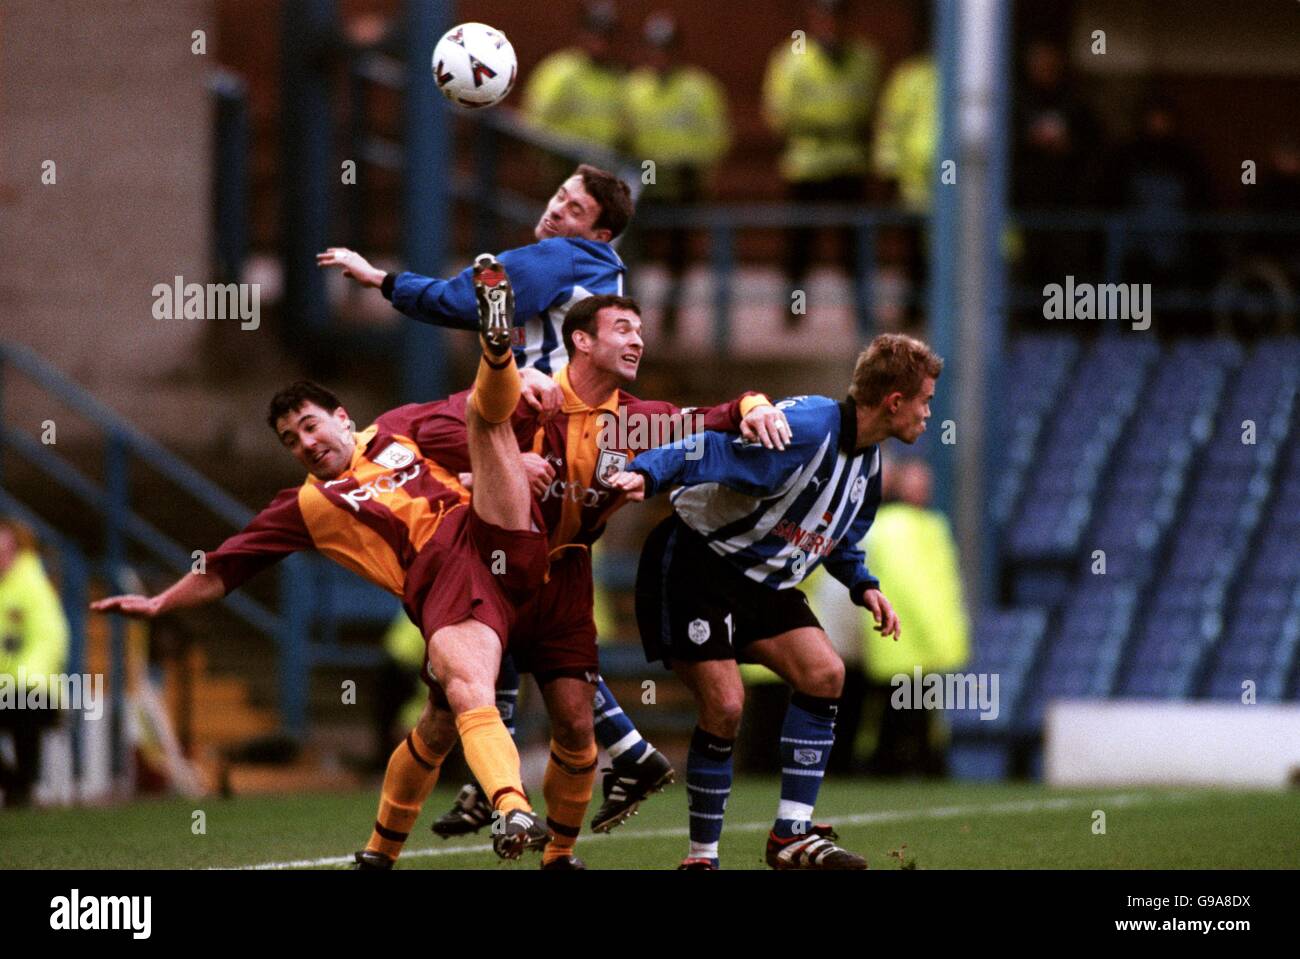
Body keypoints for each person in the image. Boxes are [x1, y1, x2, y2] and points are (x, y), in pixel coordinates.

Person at [93, 257, 556, 861]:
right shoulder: (306, 506)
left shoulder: (399, 430)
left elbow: (500, 425)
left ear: (342, 418)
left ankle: (499, 351)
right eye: (291, 441)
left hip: (491, 534)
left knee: (479, 413)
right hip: (445, 579)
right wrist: (160, 601)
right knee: (447, 716)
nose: (306, 444)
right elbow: (224, 568)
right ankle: (383, 851)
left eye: (310, 427)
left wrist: (532, 408)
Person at [377, 293, 789, 870]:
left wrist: (755, 403)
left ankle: (560, 855)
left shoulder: (638, 422)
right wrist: (492, 462)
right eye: (622, 328)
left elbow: (712, 416)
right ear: (581, 341)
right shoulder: (527, 399)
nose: (638, 340)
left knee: (573, 719)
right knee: (442, 721)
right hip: (487, 569)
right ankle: (382, 849)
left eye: (641, 331)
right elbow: (406, 438)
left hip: (564, 576)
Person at [608, 332, 943, 869]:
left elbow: (840, 538)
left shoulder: (870, 466)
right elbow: (709, 446)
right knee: (726, 705)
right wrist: (646, 472)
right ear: (895, 401)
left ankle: (790, 836)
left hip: (763, 583)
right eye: (925, 401)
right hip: (699, 561)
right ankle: (701, 857)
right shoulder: (807, 428)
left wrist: (865, 585)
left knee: (825, 673)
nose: (929, 414)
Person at [318, 163, 634, 375]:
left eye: (574, 210)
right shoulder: (606, 268)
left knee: (405, 433)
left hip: (544, 420)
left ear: (600, 236)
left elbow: (465, 302)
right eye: (561, 196)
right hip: (576, 421)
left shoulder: (560, 257)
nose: (555, 209)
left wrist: (380, 279)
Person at [763, 0, 880, 325]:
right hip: (806, 166)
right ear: (813, 19)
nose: (831, 25)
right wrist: (830, 124)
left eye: (838, 17)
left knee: (854, 247)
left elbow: (870, 109)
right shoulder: (791, 59)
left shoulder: (865, 59)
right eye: (824, 17)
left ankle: (861, 314)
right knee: (799, 247)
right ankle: (794, 312)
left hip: (849, 166)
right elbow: (778, 113)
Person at [624, 13, 731, 335]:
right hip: (642, 190)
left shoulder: (699, 89)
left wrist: (687, 163)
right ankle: (630, 317)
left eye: (666, 48)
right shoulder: (633, 88)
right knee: (632, 256)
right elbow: (622, 135)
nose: (660, 56)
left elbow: (717, 136)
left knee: (678, 258)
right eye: (654, 48)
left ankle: (671, 314)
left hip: (685, 186)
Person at [862, 457, 969, 776]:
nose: (922, 488)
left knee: (912, 716)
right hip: (905, 641)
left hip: (917, 643)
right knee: (903, 718)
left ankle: (906, 766)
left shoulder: (926, 524)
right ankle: (902, 768)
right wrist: (936, 635)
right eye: (914, 482)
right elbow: (912, 586)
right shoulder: (896, 526)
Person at [0, 519, 71, 808]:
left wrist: (22, 681)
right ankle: (19, 785)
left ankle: (22, 785)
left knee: (23, 704)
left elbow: (50, 638)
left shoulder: (31, 585)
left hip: (33, 689)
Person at [522, 0, 625, 154]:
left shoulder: (616, 76)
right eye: (594, 34)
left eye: (606, 35)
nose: (600, 43)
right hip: (565, 162)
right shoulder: (558, 71)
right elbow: (535, 124)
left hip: (604, 163)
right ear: (582, 34)